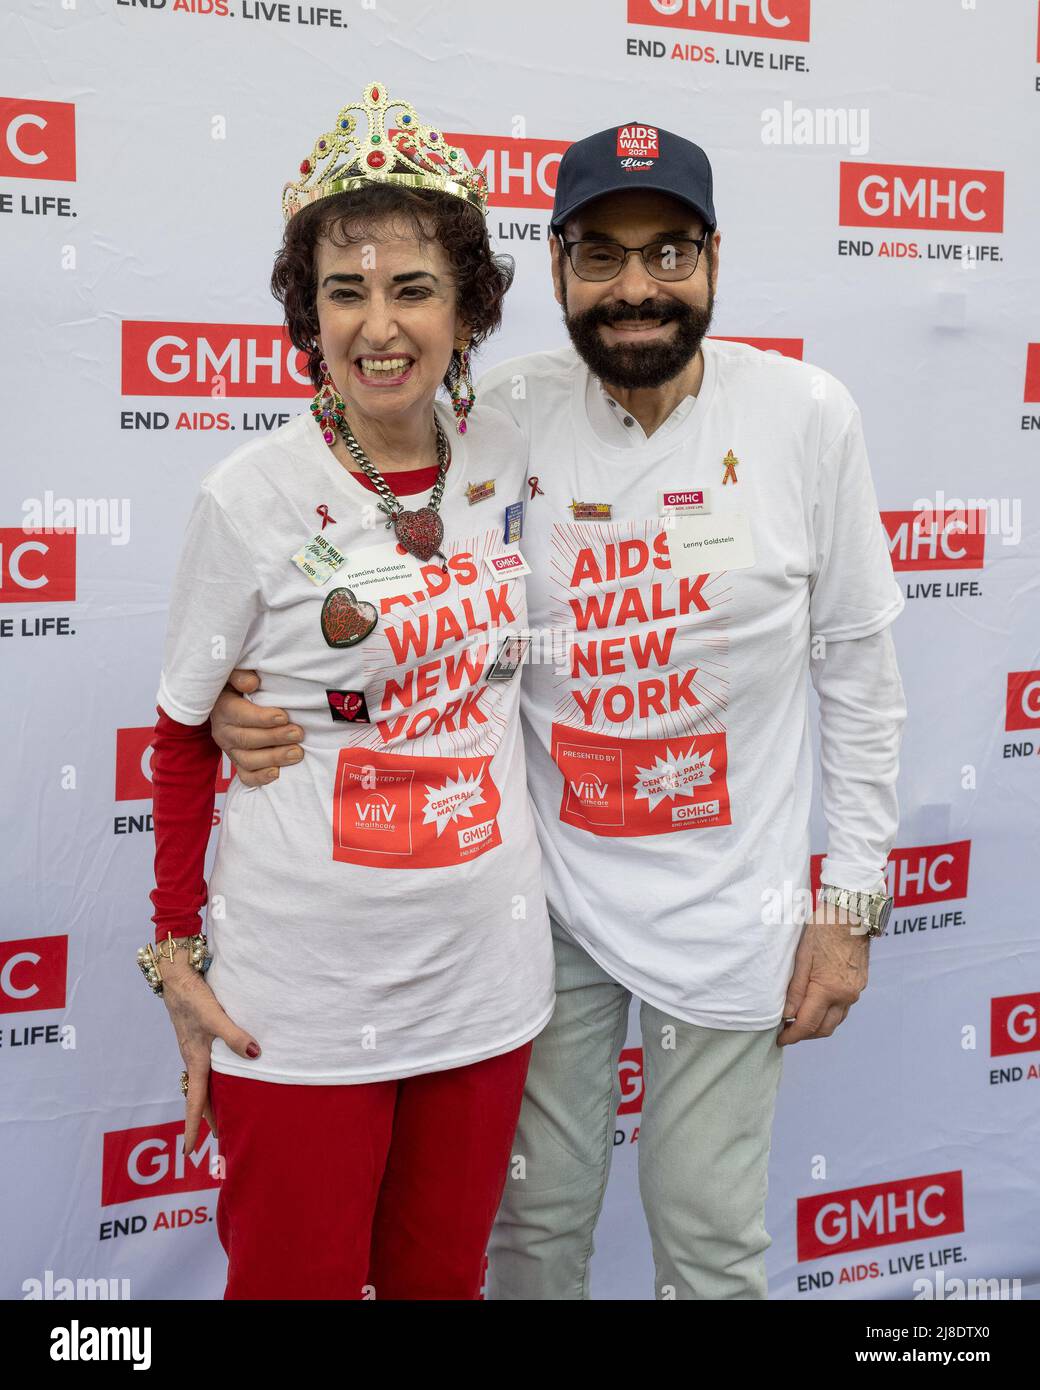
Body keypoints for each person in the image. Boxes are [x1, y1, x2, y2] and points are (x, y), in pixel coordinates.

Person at [210, 121, 908, 1300]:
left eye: (667, 253)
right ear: (557, 270)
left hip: (732, 909)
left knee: (708, 1243)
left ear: (714, 260)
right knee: (534, 1237)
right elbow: (376, 570)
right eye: (599, 255)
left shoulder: (805, 416)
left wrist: (847, 905)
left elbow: (856, 665)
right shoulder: (503, 421)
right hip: (549, 910)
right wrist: (260, 694)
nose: (635, 286)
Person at [140, 81, 555, 1301]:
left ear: (470, 306)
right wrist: (174, 955)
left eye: (413, 286)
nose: (379, 325)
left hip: (483, 982)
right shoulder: (249, 495)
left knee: (441, 1282)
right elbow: (177, 741)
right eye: (344, 289)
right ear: (304, 309)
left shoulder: (515, 450)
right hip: (301, 998)